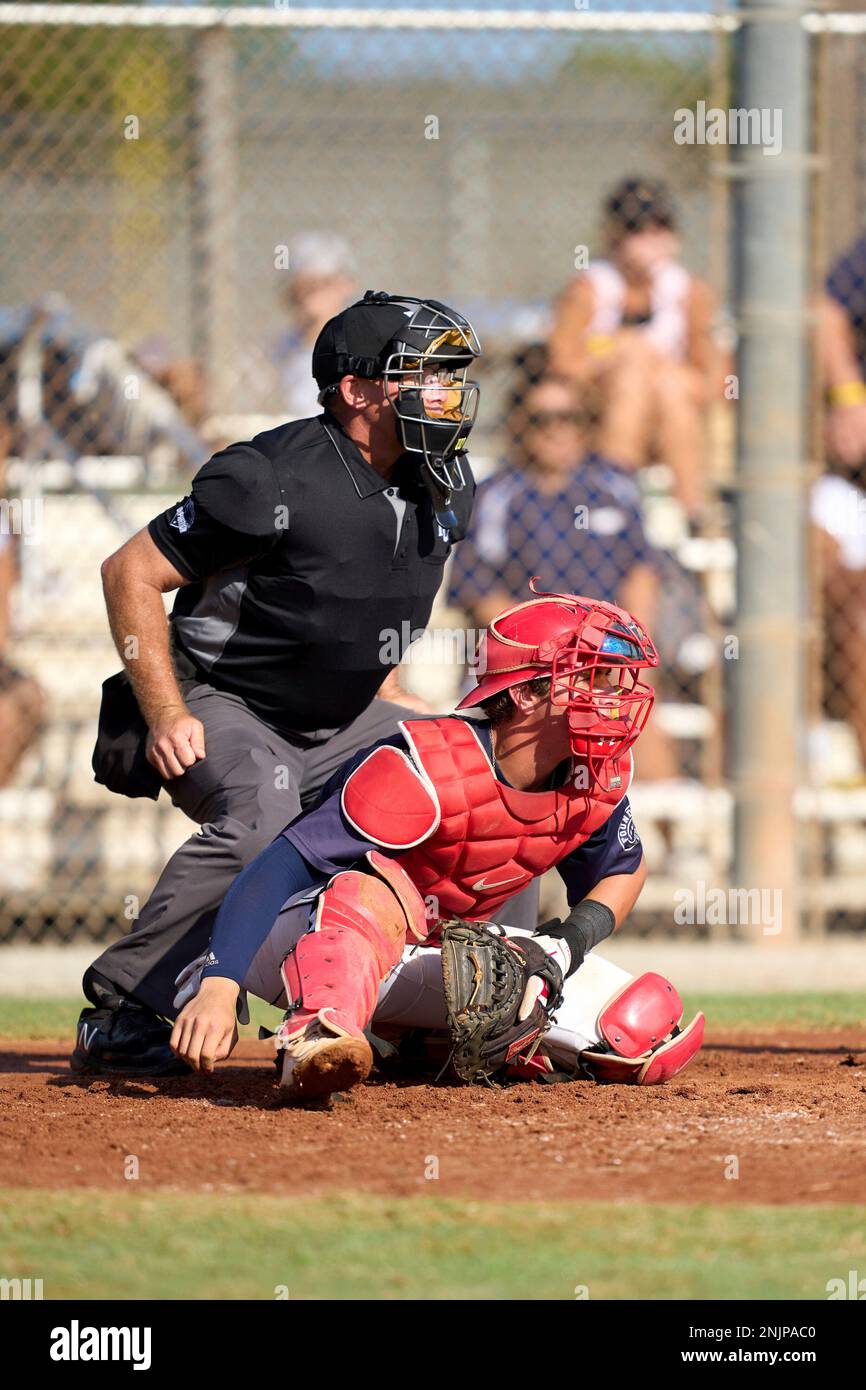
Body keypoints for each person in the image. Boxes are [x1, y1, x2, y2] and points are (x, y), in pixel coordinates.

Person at [73, 290, 498, 1078]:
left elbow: (379, 588)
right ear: (359, 390)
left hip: (339, 714)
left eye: (452, 375)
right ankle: (125, 1009)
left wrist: (391, 689)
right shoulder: (268, 476)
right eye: (426, 374)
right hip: (223, 698)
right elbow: (127, 570)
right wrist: (165, 711)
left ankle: (444, 1004)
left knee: (466, 780)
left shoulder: (446, 478)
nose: (448, 392)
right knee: (261, 812)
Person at [168, 586, 704, 1099]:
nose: (615, 697)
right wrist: (222, 979)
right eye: (593, 678)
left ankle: (420, 1044)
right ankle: (318, 1035)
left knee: (641, 1024)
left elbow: (624, 870)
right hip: (302, 941)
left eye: (616, 679)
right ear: (524, 692)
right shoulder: (425, 765)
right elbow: (277, 868)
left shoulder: (594, 773)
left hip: (438, 959)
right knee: (372, 893)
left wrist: (566, 943)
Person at [448, 370, 677, 781]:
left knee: (637, 708)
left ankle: (661, 832)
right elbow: (479, 590)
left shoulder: (614, 485)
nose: (556, 431)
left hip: (607, 651)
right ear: (521, 425)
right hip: (530, 662)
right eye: (542, 420)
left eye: (568, 417)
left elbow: (643, 572)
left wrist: (616, 652)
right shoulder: (495, 493)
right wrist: (552, 655)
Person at [548, 177, 717, 523]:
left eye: (661, 229)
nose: (653, 241)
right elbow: (562, 365)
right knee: (634, 369)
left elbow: (711, 372)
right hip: (602, 410)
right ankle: (680, 506)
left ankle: (660, 507)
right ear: (615, 236)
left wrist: (652, 367)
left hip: (671, 417)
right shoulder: (590, 289)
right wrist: (616, 355)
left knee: (668, 384)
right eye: (639, 230)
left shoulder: (688, 292)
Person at [272, 232, 358, 419]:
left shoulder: (360, 345)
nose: (313, 292)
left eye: (324, 282)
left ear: (346, 285)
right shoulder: (280, 348)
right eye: (305, 283)